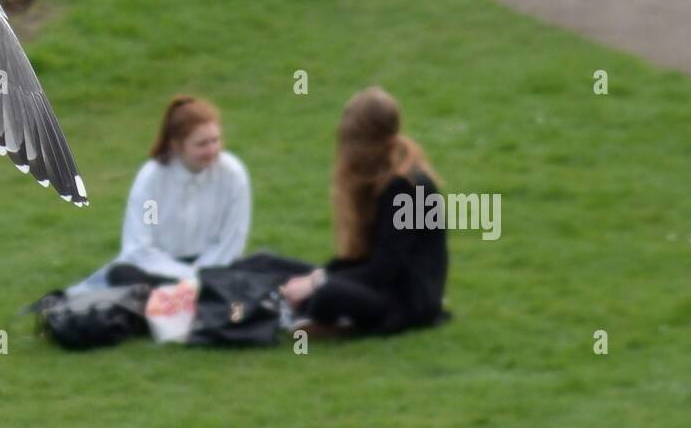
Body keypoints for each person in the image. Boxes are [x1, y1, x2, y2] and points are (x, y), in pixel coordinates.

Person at [281, 87, 448, 335]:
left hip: (406, 301)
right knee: (269, 263)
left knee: (327, 294)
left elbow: (383, 270)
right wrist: (318, 275)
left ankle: (314, 318)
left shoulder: (406, 189)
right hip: (381, 283)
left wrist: (318, 282)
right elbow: (363, 259)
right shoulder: (382, 177)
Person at [65, 95, 251, 295]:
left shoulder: (232, 175)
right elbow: (142, 245)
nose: (212, 150)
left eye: (215, 140)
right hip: (158, 271)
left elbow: (232, 240)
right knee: (122, 275)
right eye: (202, 144)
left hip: (214, 271)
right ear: (177, 145)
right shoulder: (153, 180)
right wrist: (186, 277)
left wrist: (201, 277)